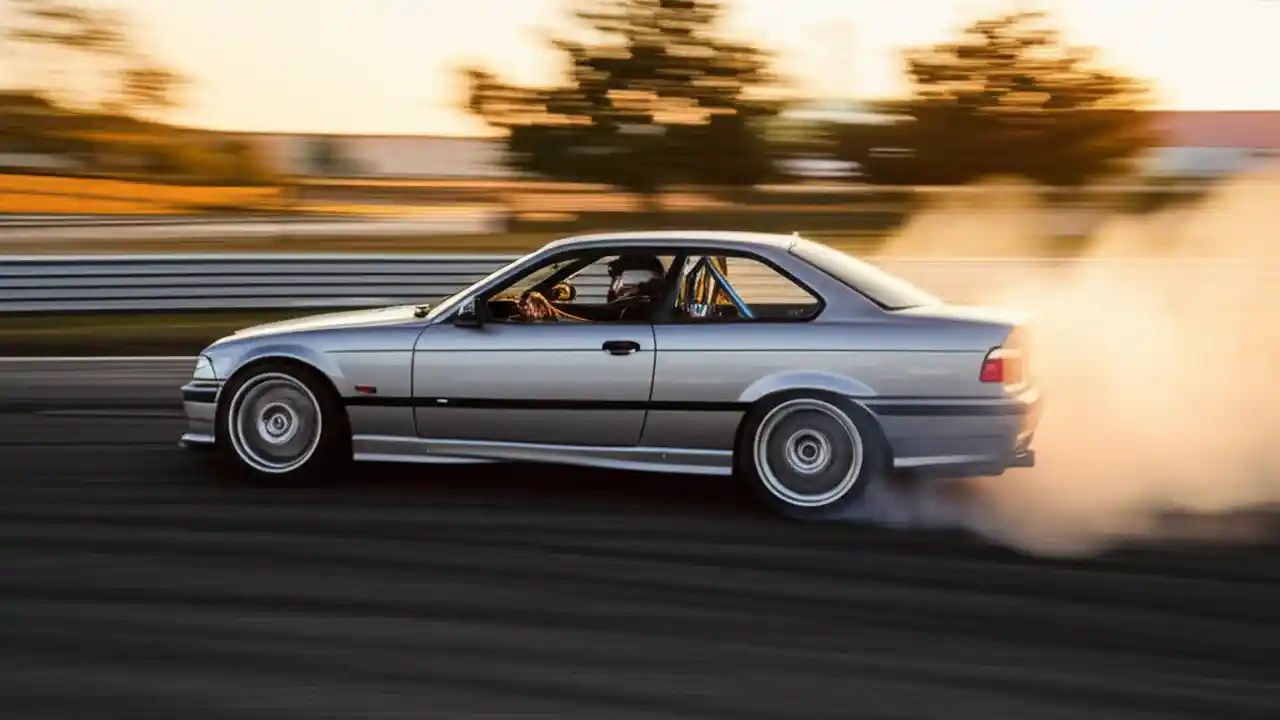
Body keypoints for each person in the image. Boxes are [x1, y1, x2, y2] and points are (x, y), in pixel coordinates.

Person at [517, 254, 664, 322]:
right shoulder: (646, 312)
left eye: (617, 277)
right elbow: (597, 314)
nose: (613, 285)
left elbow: (604, 316)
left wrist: (549, 310)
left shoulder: (634, 312)